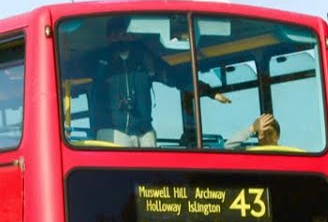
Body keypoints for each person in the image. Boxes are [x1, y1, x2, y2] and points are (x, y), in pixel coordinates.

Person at [89, 16, 230, 147]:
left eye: (125, 33)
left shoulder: (145, 58)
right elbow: (68, 70)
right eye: (116, 34)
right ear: (108, 37)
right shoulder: (97, 60)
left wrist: (209, 91)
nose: (121, 37)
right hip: (112, 130)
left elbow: (175, 77)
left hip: (144, 130)